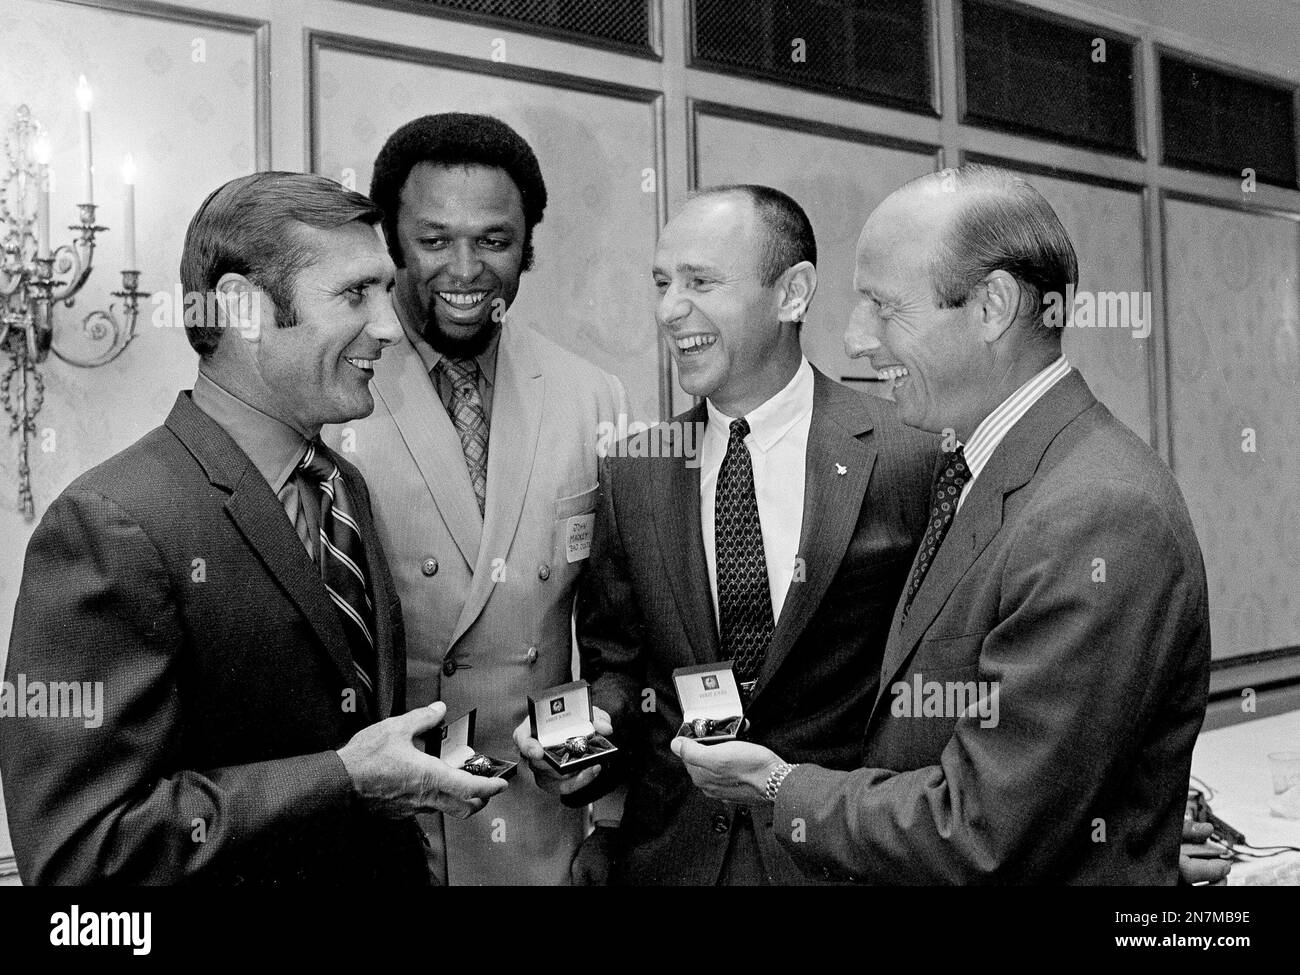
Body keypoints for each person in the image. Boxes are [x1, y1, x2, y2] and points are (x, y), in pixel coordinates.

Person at [674, 164, 1212, 884]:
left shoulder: (1097, 515)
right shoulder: (977, 471)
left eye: (883, 307)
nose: (856, 338)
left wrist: (780, 788)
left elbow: (983, 829)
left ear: (992, 305)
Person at [0, 172, 506, 885]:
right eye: (356, 294)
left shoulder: (342, 487)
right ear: (242, 308)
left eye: (386, 292)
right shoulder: (111, 524)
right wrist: (343, 778)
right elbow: (82, 854)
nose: (392, 326)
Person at [515, 185, 939, 884]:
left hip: (842, 860)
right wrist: (583, 732)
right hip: (673, 857)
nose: (668, 309)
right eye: (661, 283)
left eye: (699, 281)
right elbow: (621, 666)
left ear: (792, 293)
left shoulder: (907, 455)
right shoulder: (634, 472)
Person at [327, 114, 627, 885]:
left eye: (494, 240)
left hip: (539, 822)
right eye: (433, 241)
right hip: (383, 831)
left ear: (530, 245)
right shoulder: (334, 390)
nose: (465, 269)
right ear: (391, 242)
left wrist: (606, 811)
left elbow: (616, 637)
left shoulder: (593, 394)